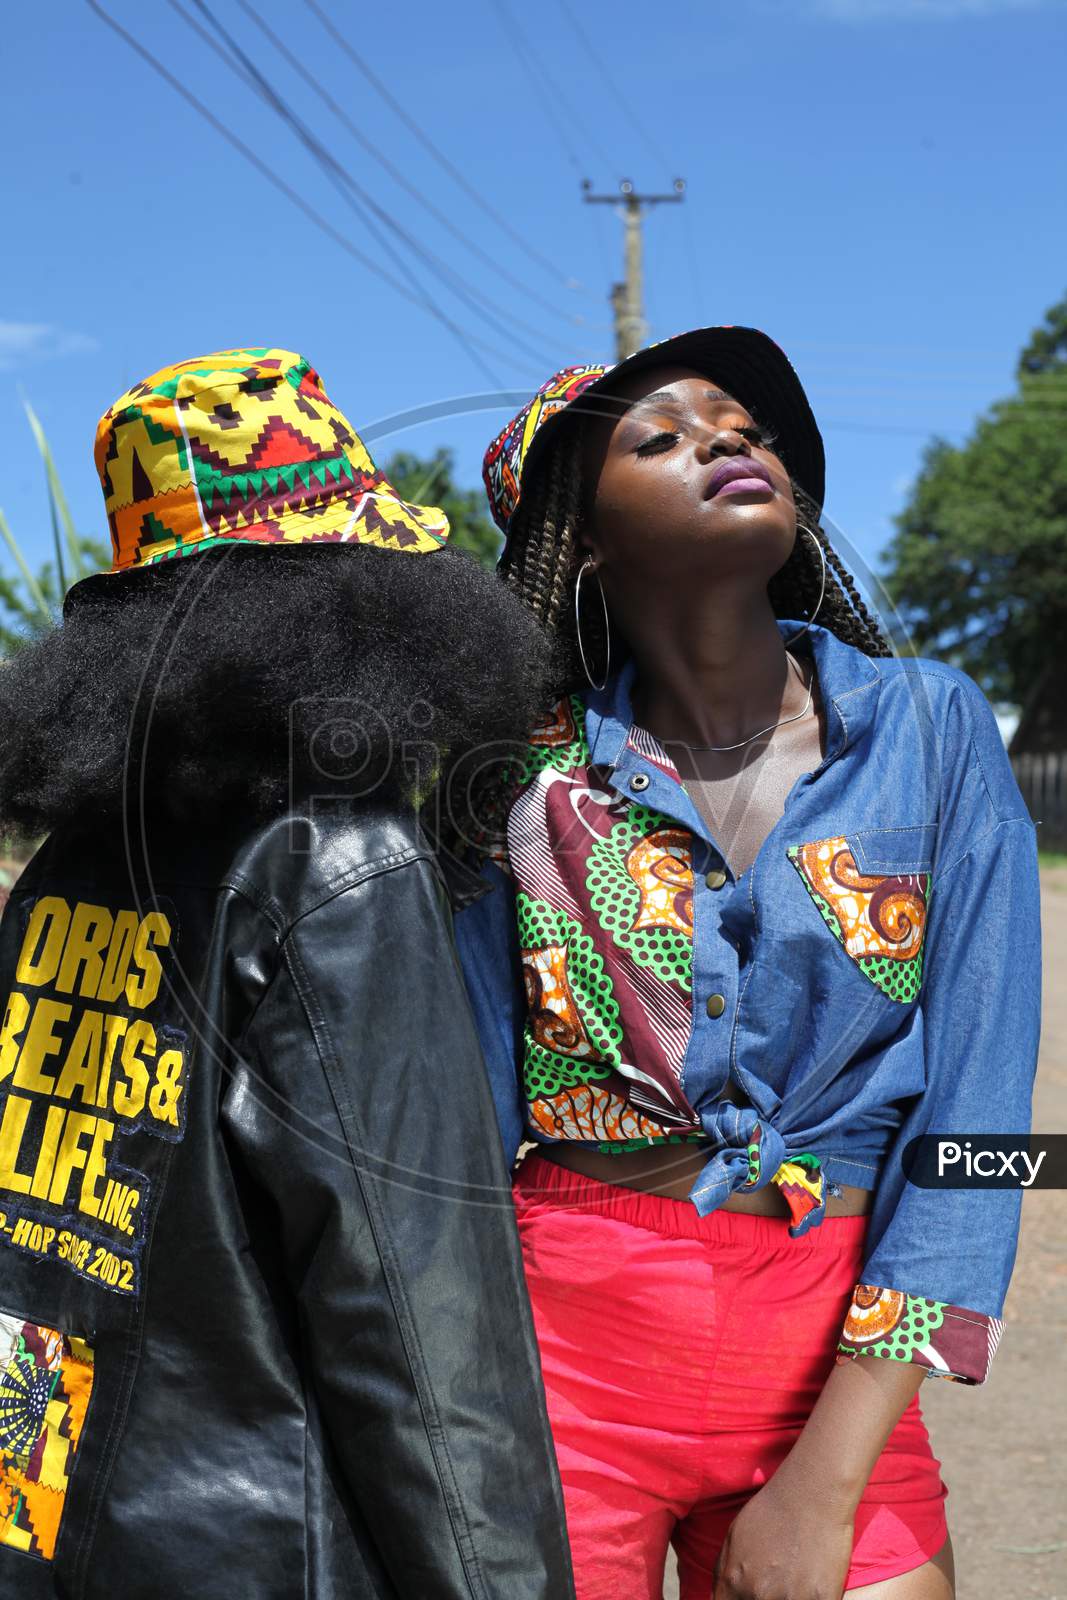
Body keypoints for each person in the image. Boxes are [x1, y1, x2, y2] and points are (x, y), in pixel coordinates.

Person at [455, 327, 1041, 1600]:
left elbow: (981, 1122)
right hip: (562, 1356)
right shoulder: (514, 776)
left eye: (743, 427)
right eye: (657, 436)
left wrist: (825, 1482)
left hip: (830, 1357)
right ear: (583, 540)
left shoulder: (928, 726)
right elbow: (457, 1119)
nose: (724, 438)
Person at [0, 349, 575, 1600]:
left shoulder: (71, 867)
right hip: (271, 1553)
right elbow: (422, 1339)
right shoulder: (338, 861)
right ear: (360, 599)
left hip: (62, 1525)